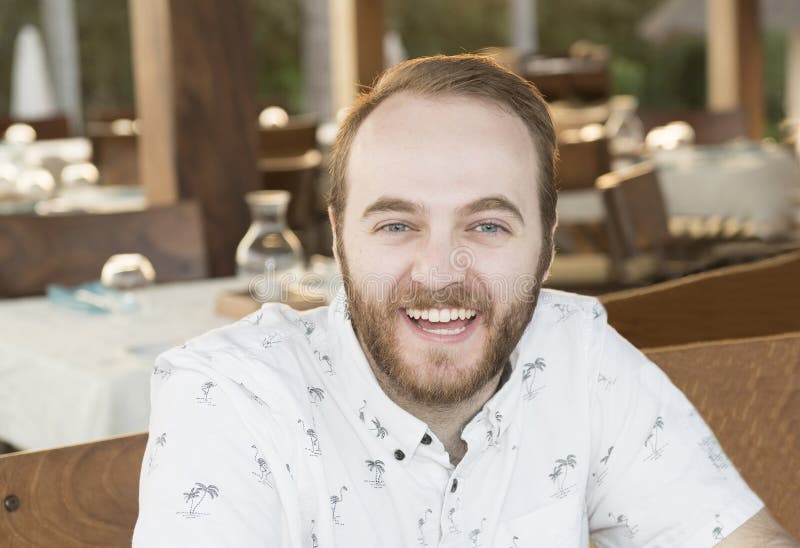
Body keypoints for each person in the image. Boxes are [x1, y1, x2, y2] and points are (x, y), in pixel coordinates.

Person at [133, 55, 797, 547]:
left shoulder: (577, 352)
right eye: (397, 224)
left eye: (488, 225)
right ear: (337, 239)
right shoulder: (232, 395)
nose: (441, 271)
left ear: (547, 242)